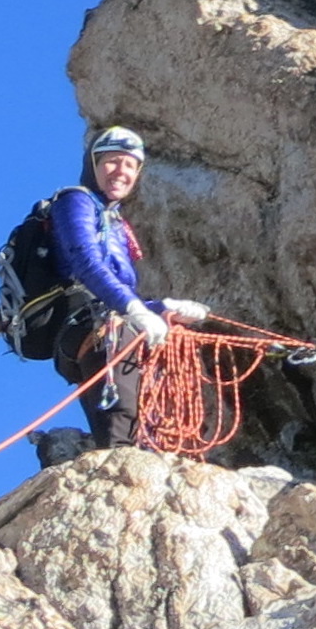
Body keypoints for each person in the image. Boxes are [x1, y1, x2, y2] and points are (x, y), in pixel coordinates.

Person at [44, 126, 207, 449]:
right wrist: (134, 310)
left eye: (130, 165)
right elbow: (85, 263)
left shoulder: (114, 220)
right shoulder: (74, 201)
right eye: (112, 162)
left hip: (109, 326)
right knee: (122, 428)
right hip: (89, 326)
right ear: (93, 164)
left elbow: (116, 288)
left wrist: (164, 307)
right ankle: (122, 474)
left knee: (142, 424)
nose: (121, 171)